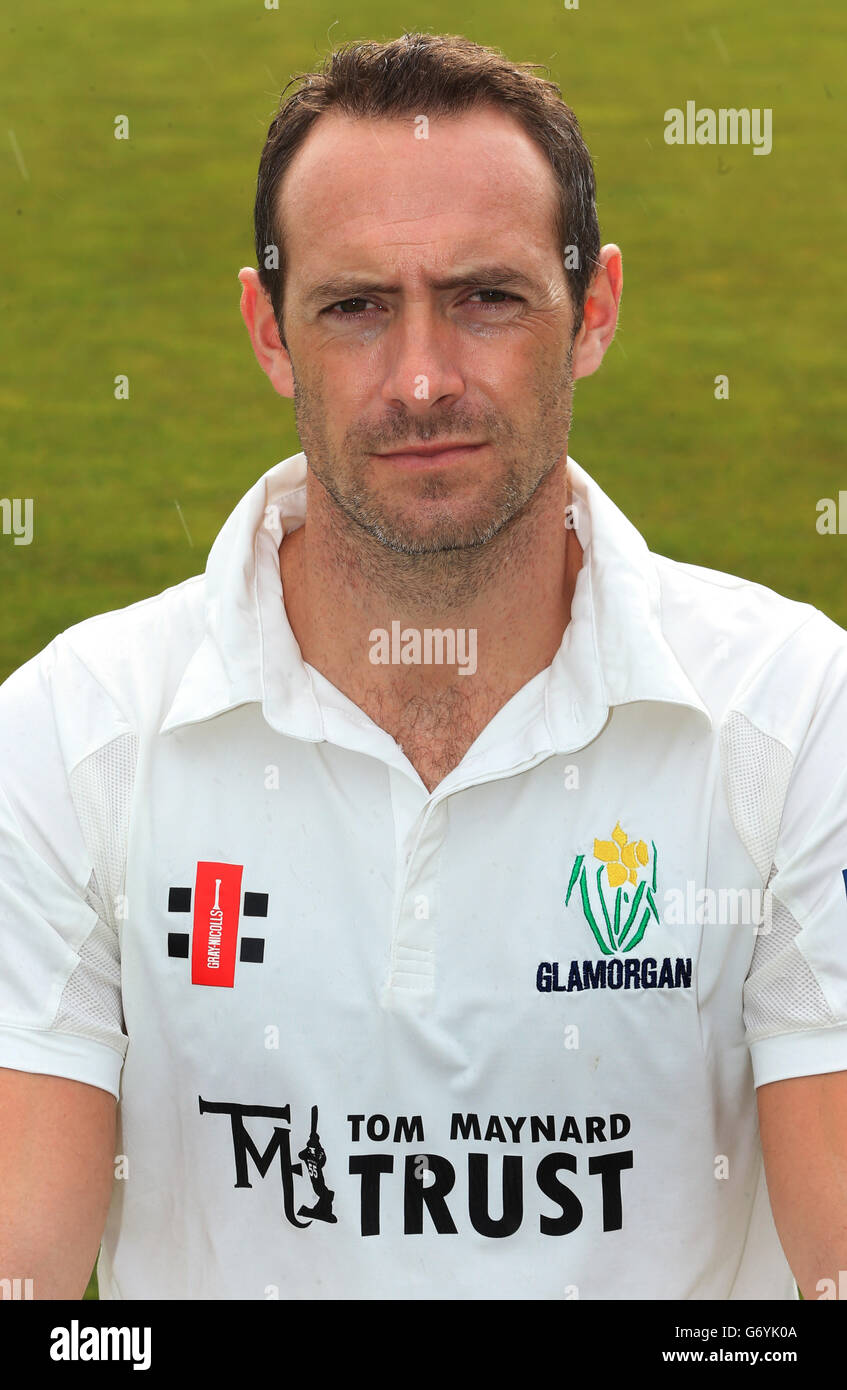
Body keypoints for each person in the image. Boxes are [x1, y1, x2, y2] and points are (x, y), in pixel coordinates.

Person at [1, 31, 846, 1302]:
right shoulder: (73, 733)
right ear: (268, 332)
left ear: (595, 310)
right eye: (355, 308)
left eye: (487, 298)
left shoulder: (797, 712)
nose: (421, 379)